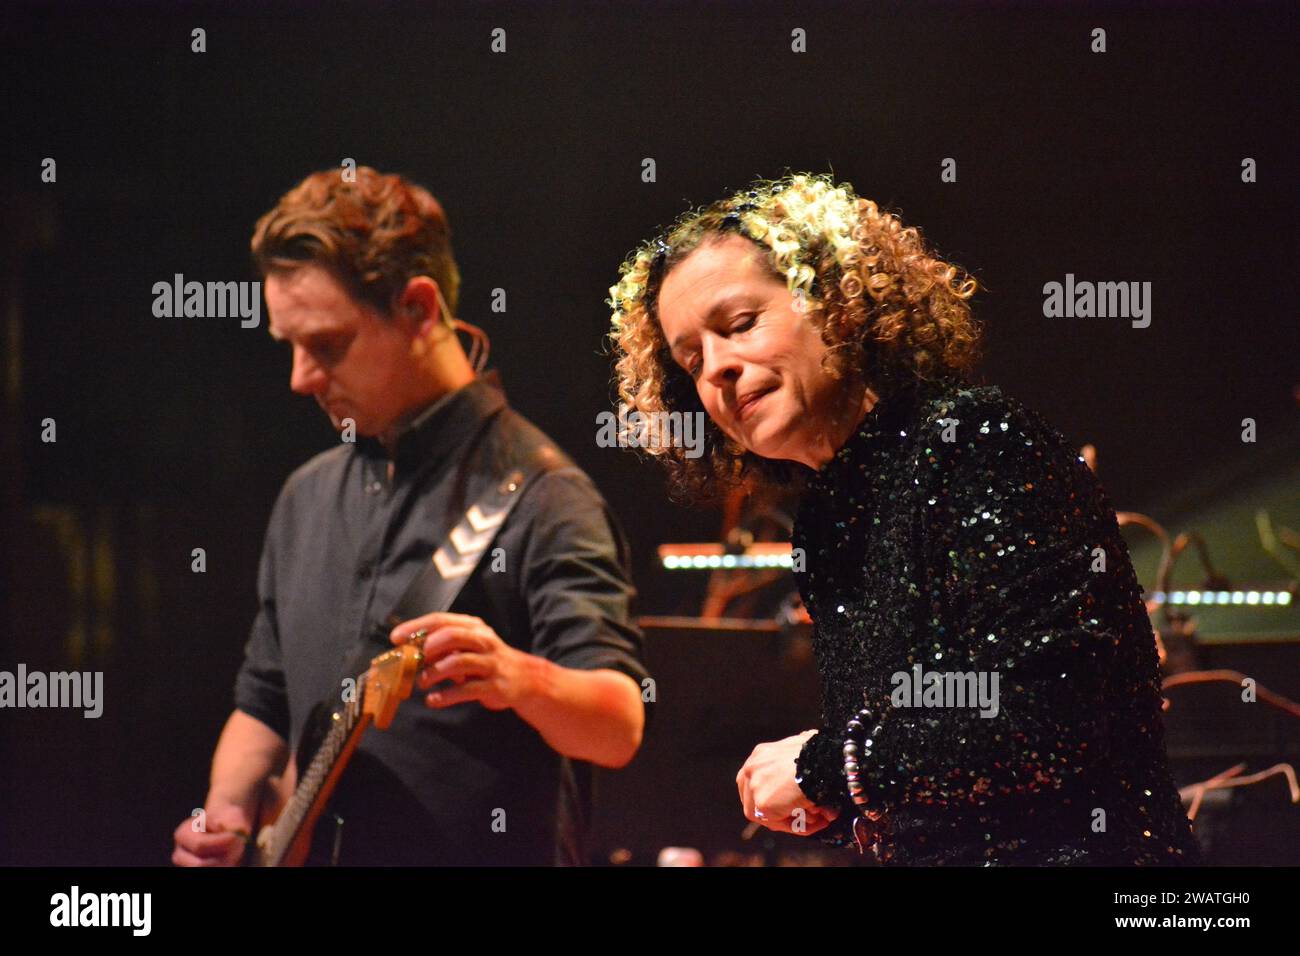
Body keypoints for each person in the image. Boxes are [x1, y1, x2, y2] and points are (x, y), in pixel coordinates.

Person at [606, 172, 1201, 865]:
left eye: (739, 325)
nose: (717, 369)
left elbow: (1056, 717)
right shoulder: (828, 523)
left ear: (836, 303)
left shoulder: (975, 443)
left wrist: (829, 768)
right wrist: (830, 800)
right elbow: (932, 767)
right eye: (690, 359)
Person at [172, 166, 648, 866]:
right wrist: (229, 818)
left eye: (327, 344)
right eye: (290, 345)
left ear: (420, 309)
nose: (300, 377)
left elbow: (619, 724)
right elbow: (263, 703)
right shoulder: (305, 495)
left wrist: (518, 677)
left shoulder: (546, 495)